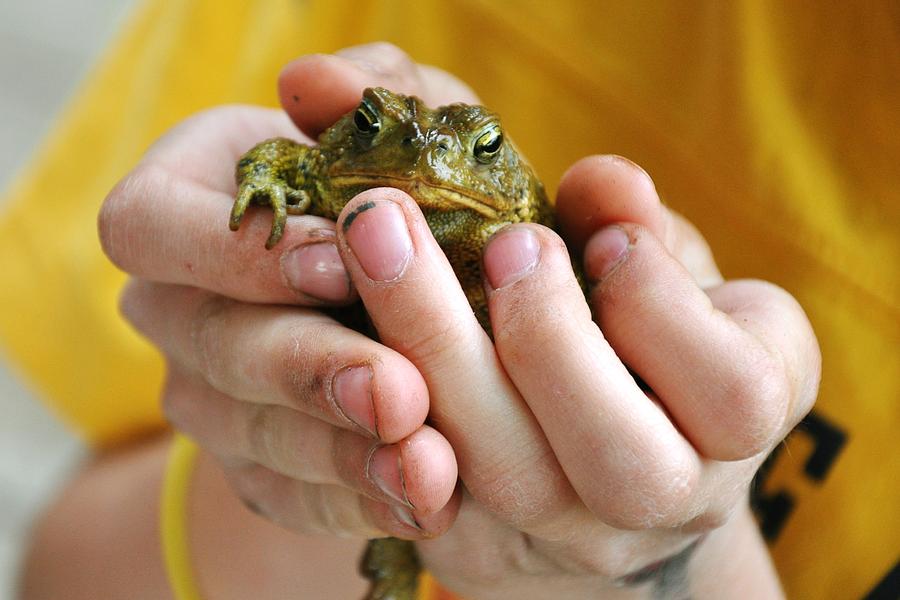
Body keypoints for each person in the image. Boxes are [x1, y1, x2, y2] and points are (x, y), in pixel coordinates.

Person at [3, 2, 896, 599]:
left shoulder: (537, 231)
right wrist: (300, 473)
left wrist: (676, 547)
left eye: (475, 151)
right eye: (379, 134)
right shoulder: (338, 157)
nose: (429, 164)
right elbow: (62, 566)